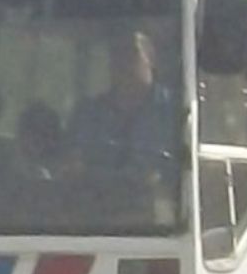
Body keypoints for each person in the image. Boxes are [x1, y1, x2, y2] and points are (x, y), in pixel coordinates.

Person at [68, 29, 179, 177]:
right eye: (116, 55)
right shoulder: (88, 115)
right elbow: (71, 165)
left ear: (151, 58)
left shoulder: (175, 112)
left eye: (131, 54)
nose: (123, 63)